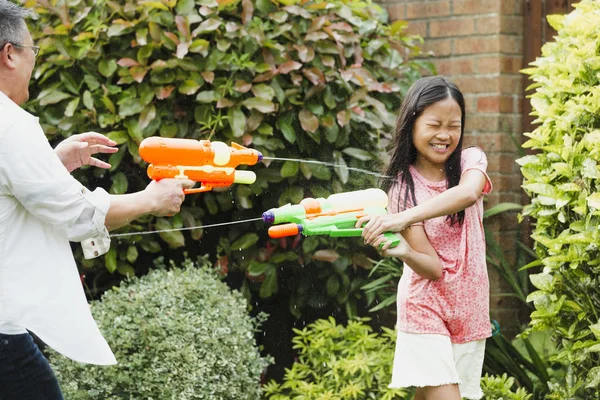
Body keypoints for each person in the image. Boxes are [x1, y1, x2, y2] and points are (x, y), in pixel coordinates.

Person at [0, 2, 193, 399]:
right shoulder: (11, 124)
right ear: (9, 54)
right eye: (33, 52)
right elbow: (81, 216)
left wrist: (52, 164)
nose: (33, 63)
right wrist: (151, 199)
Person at [356, 75, 493, 400]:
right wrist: (403, 250)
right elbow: (431, 268)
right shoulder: (403, 187)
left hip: (469, 307)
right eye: (434, 125)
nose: (445, 135)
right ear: (412, 124)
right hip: (425, 307)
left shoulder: (470, 160)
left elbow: (469, 193)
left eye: (454, 125)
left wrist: (401, 219)